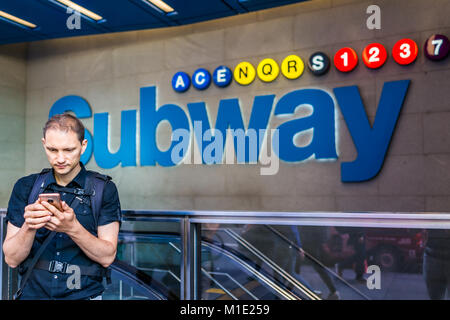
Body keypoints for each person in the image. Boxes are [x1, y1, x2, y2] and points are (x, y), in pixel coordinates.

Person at [2, 113, 122, 300]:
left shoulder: (102, 189)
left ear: (83, 146)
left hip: (83, 295)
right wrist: (29, 225)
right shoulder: (26, 186)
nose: (60, 158)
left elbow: (107, 256)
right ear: (44, 144)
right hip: (32, 294)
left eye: (68, 150)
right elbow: (11, 259)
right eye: (52, 150)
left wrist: (73, 228)